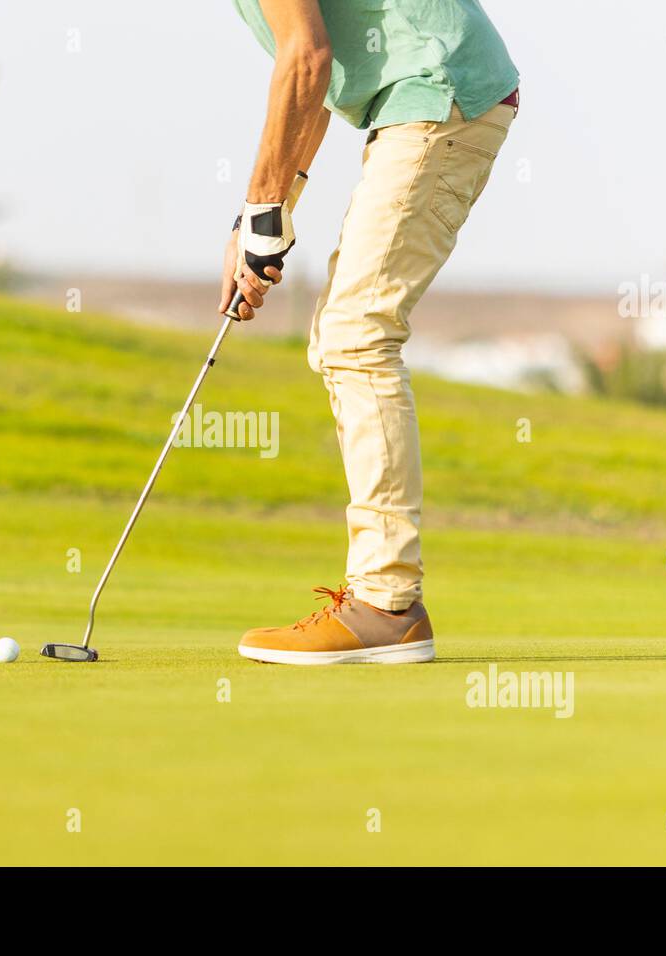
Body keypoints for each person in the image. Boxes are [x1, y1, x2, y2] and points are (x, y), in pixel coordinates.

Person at [221, 0, 519, 664]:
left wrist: (263, 210)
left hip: (438, 90)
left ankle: (386, 605)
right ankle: (386, 604)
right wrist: (267, 214)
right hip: (432, 94)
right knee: (342, 335)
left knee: (357, 333)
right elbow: (312, 78)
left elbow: (308, 58)